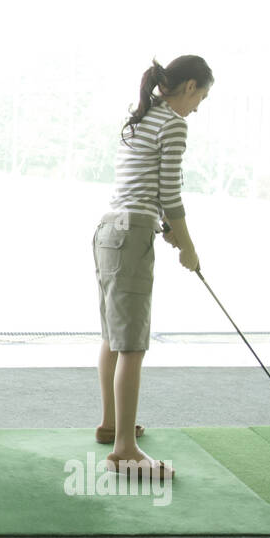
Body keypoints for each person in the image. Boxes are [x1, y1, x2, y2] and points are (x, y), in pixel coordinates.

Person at [93, 55, 213, 481]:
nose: (198, 107)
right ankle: (124, 450)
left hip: (109, 232)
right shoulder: (174, 124)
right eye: (201, 97)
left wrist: (165, 227)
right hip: (132, 234)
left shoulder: (142, 116)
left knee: (114, 337)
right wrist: (189, 248)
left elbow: (144, 188)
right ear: (189, 86)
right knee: (133, 345)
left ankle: (112, 427)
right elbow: (170, 193)